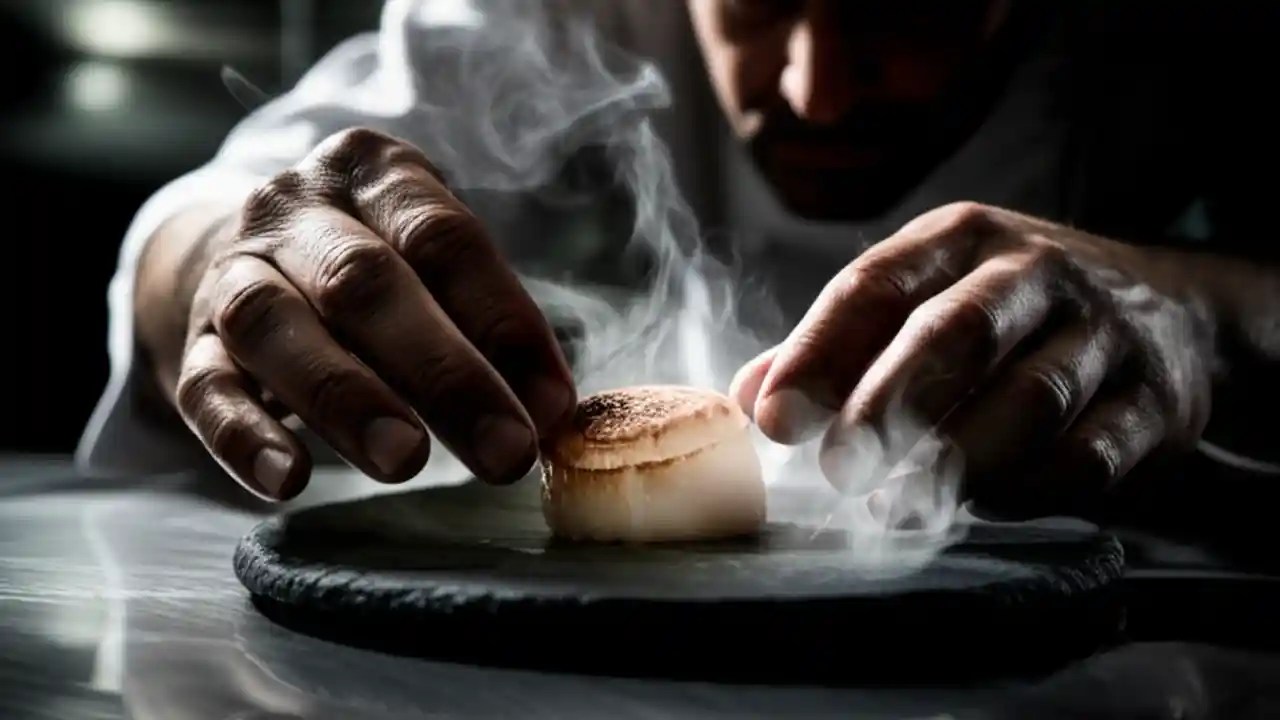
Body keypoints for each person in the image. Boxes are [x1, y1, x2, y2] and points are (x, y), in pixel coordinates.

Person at [76, 0, 1279, 524]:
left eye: (905, 6)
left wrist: (1194, 308)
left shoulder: (1185, 36)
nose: (815, 85)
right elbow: (232, 199)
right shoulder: (559, 12)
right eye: (757, 2)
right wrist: (218, 265)